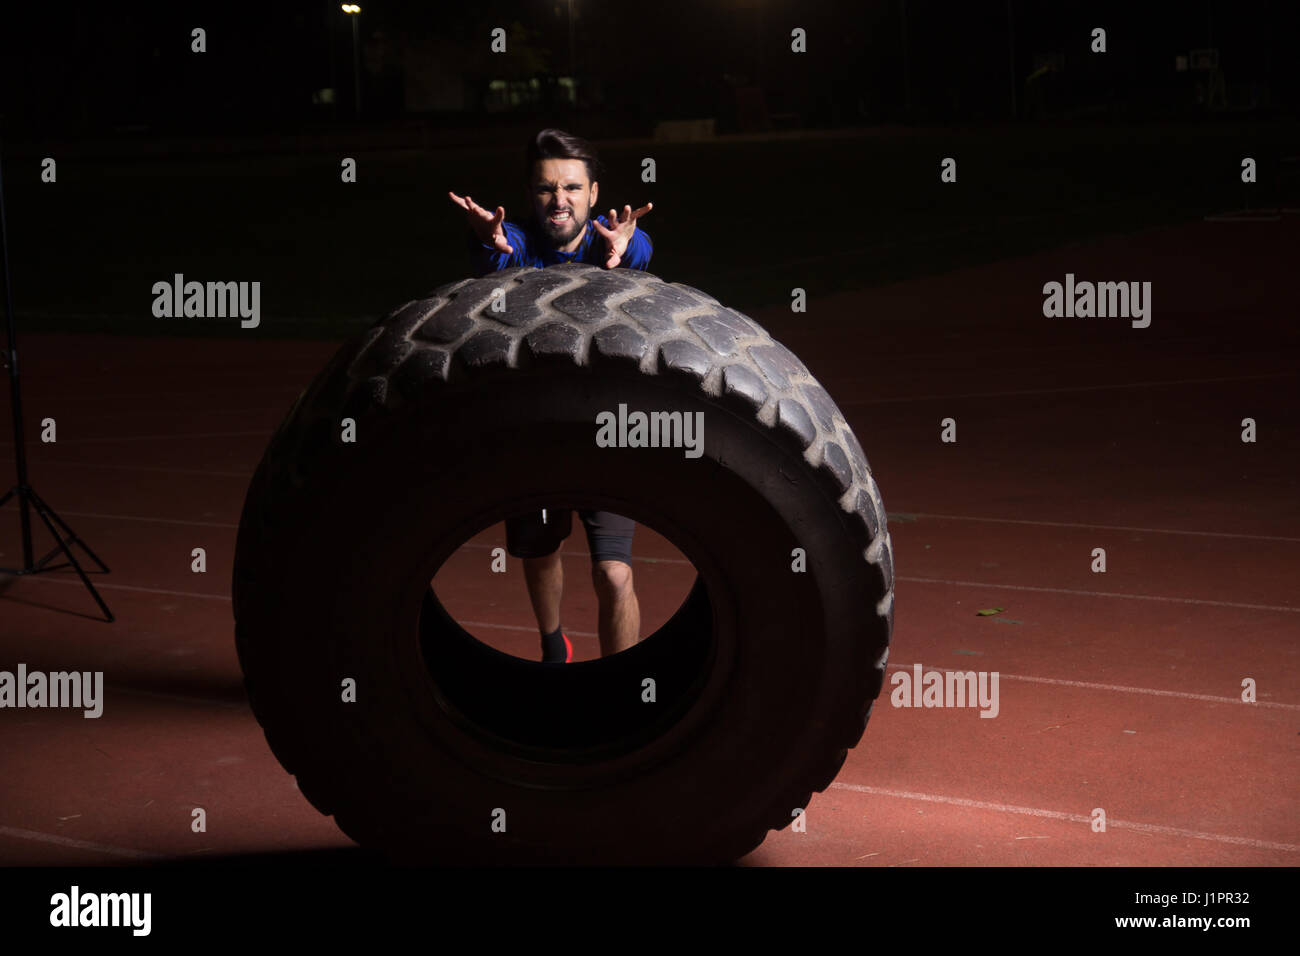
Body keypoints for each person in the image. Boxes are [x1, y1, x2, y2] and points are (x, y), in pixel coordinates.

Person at [449, 128, 654, 663]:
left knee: (613, 571)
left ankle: (621, 686)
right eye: (545, 189)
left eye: (570, 188)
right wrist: (487, 243)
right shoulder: (517, 241)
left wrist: (626, 248)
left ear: (592, 195)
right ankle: (553, 645)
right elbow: (499, 254)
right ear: (529, 195)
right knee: (540, 552)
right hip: (533, 428)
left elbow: (636, 252)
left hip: (607, 428)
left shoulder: (609, 240)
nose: (558, 200)